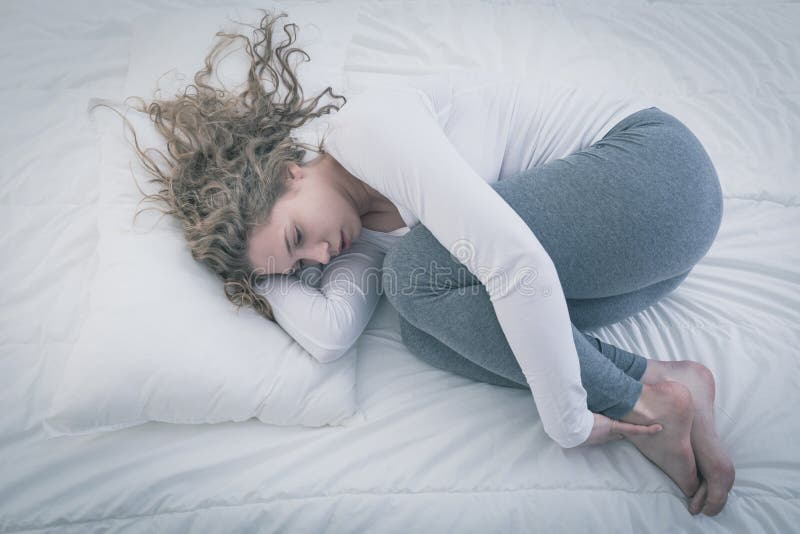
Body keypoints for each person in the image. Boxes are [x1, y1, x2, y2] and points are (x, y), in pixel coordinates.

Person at [124, 9, 734, 517]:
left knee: (412, 281)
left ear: (291, 173)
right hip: (636, 264)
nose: (320, 256)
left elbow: (515, 261)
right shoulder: (360, 236)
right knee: (422, 333)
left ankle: (643, 404)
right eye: (301, 264)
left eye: (298, 235)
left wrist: (572, 419)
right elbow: (330, 335)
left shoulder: (369, 130)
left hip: (656, 175)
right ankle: (667, 380)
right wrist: (256, 277)